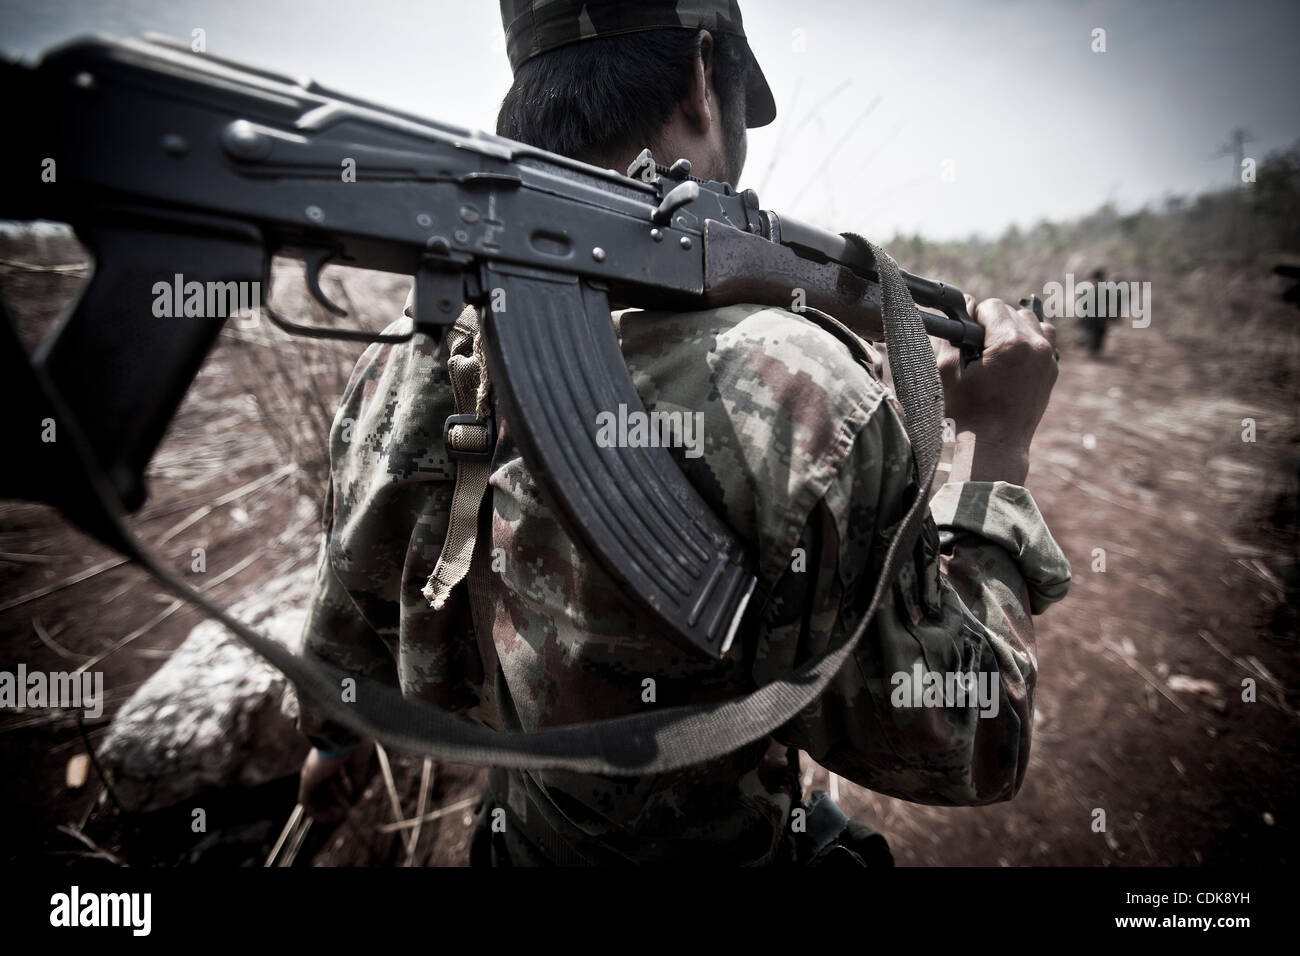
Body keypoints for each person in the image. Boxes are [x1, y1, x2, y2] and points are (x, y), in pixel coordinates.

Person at [296, 0, 1071, 866]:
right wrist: (990, 456)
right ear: (704, 76)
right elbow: (973, 735)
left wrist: (332, 741)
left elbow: (347, 606)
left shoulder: (402, 355)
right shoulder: (801, 393)